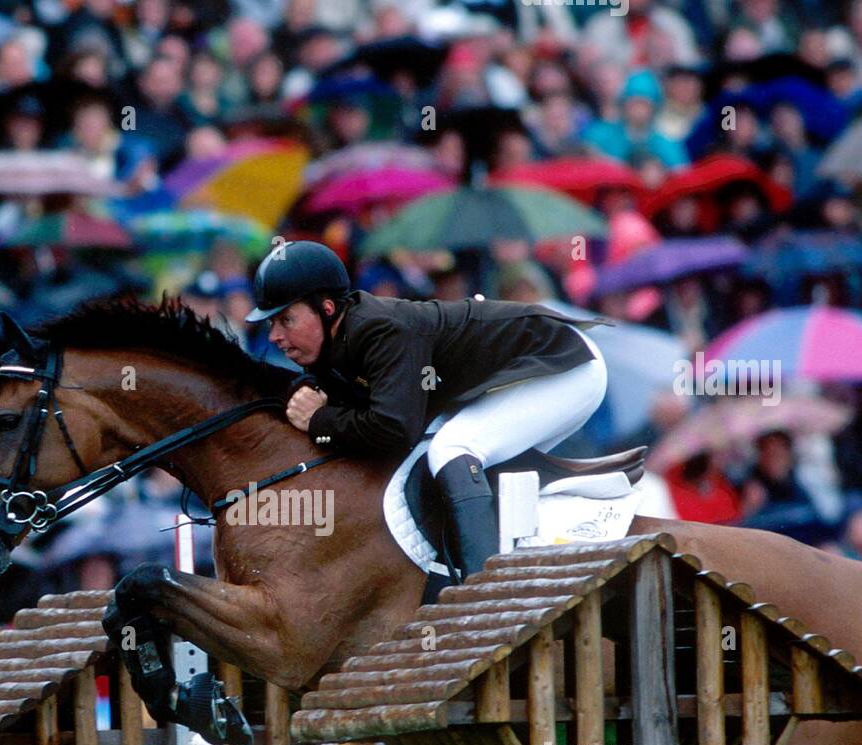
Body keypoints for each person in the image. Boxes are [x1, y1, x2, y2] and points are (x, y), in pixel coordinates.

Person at [245, 238, 610, 578]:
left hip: (562, 364)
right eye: (272, 323)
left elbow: (392, 429)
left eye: (285, 320)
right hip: (525, 371)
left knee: (452, 449)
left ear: (326, 308)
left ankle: (482, 588)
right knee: (449, 451)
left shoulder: (382, 330)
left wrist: (320, 420)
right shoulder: (335, 339)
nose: (275, 335)